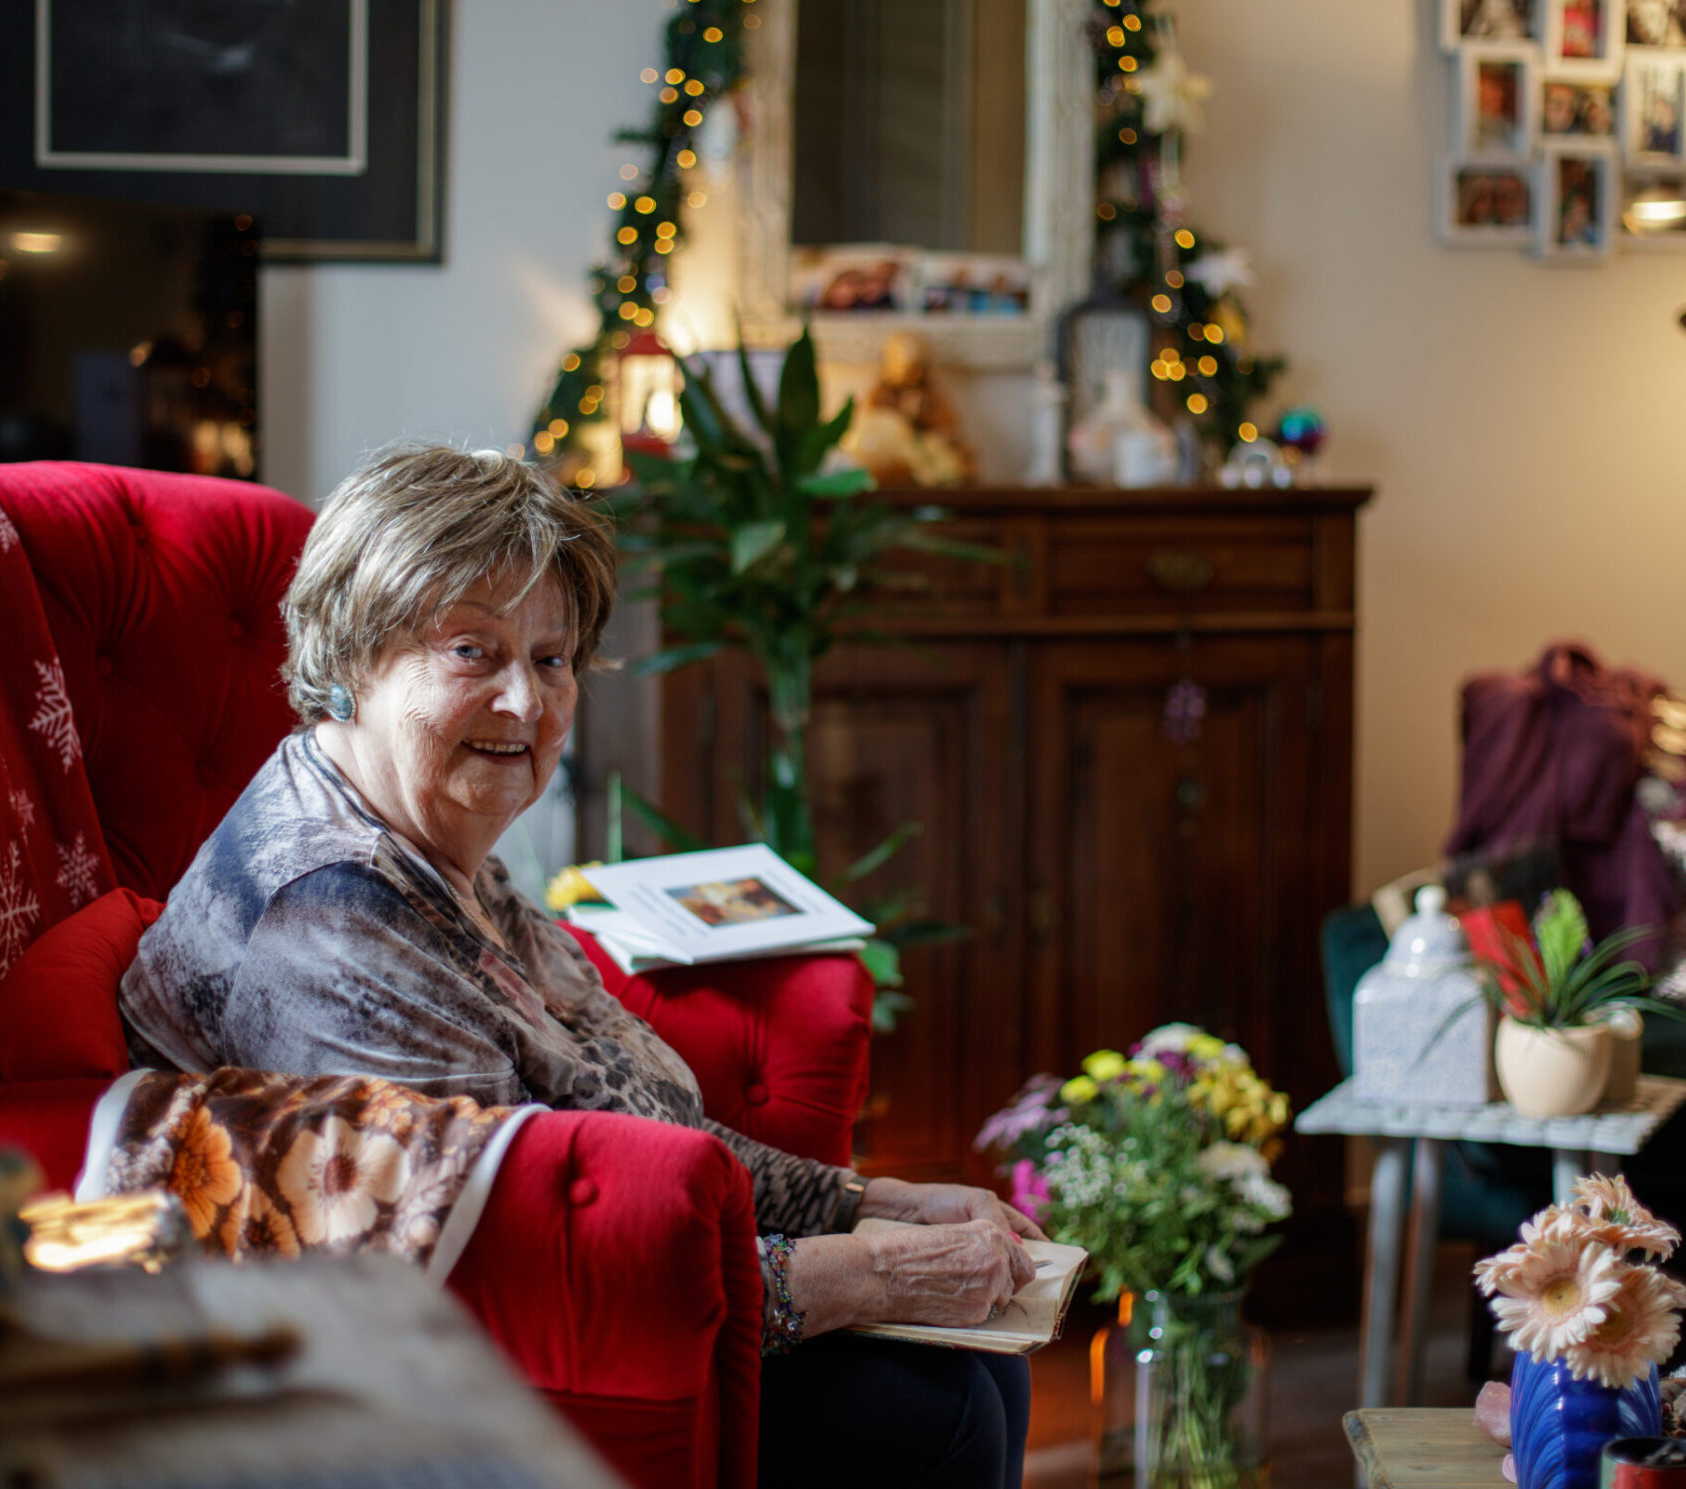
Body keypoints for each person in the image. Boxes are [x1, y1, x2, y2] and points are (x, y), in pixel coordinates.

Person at [117, 442, 1040, 1488]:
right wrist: (863, 1273)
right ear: (354, 657)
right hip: (424, 1370)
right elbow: (491, 1271)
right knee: (934, 1408)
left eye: (551, 658)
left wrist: (866, 1203)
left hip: (588, 1271)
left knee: (976, 1369)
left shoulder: (428, 845)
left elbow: (633, 1117)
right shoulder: (326, 920)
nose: (527, 703)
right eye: (472, 650)